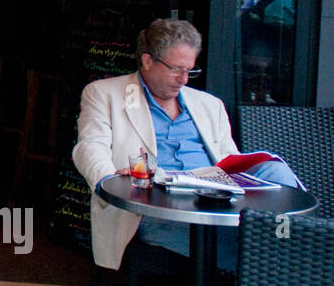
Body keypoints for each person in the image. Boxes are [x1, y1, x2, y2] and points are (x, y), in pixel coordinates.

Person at [72, 18, 303, 272]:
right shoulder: (105, 93)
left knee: (275, 170)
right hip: (154, 203)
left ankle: (282, 244)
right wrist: (110, 181)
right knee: (248, 242)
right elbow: (90, 146)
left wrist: (242, 172)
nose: (184, 79)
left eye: (190, 71)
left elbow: (228, 156)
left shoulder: (209, 104)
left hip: (211, 194)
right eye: (176, 69)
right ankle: (277, 265)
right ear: (147, 61)